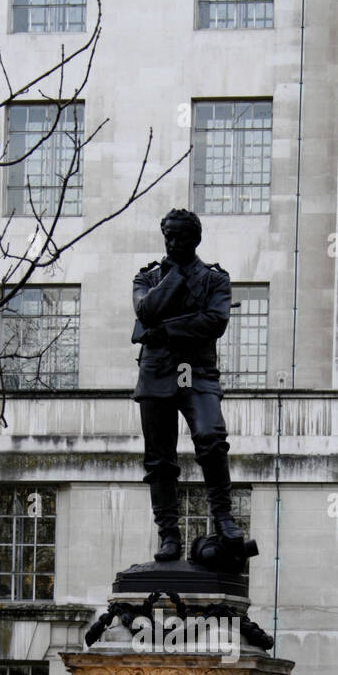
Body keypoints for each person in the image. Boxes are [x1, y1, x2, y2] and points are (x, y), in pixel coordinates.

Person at [131, 208, 244, 562]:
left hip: (193, 370)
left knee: (211, 438)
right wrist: (174, 279)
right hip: (156, 372)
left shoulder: (215, 280)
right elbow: (146, 310)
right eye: (169, 236)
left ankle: (223, 518)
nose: (174, 243)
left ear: (196, 239)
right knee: (160, 461)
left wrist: (166, 330)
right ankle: (169, 535)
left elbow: (214, 321)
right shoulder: (148, 278)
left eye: (181, 236)